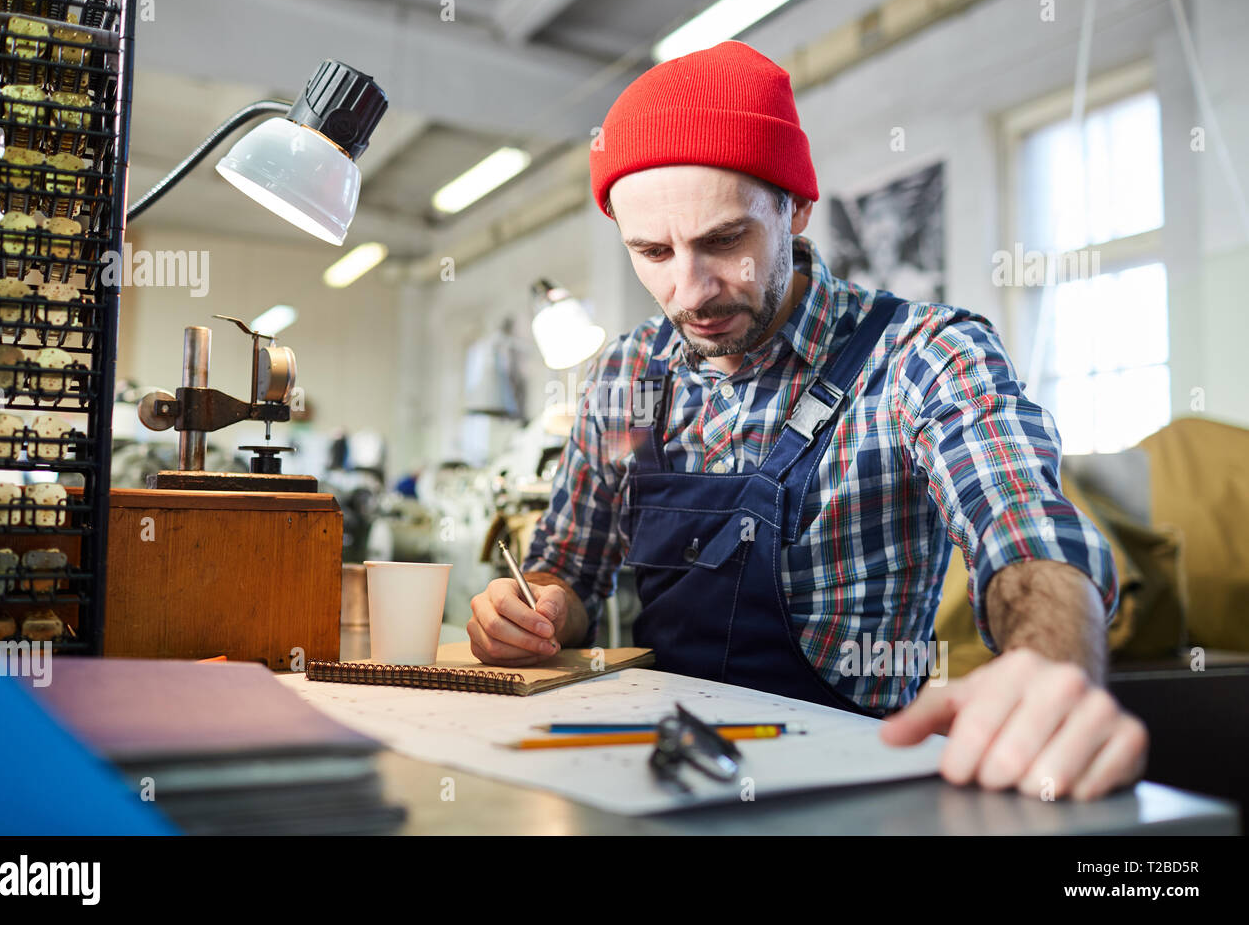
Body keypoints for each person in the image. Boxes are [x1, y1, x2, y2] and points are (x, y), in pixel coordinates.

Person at [468, 41, 1146, 801]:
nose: (690, 291)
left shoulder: (920, 357)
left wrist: (1049, 666)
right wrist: (536, 611)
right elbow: (569, 566)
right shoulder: (627, 377)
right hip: (652, 774)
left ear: (795, 207)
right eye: (653, 251)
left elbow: (1027, 532)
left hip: (858, 792)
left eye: (724, 240)